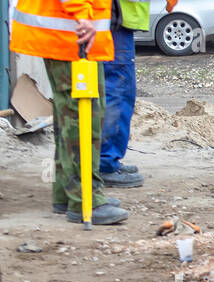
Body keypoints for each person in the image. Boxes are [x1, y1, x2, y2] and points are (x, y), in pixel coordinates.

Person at [9, 0, 129, 224]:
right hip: (73, 35)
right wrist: (82, 14)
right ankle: (85, 198)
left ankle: (66, 192)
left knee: (69, 115)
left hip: (68, 33)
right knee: (82, 117)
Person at [99, 0, 155, 188]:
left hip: (113, 19)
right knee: (117, 91)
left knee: (118, 90)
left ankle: (107, 160)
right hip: (112, 20)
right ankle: (105, 163)